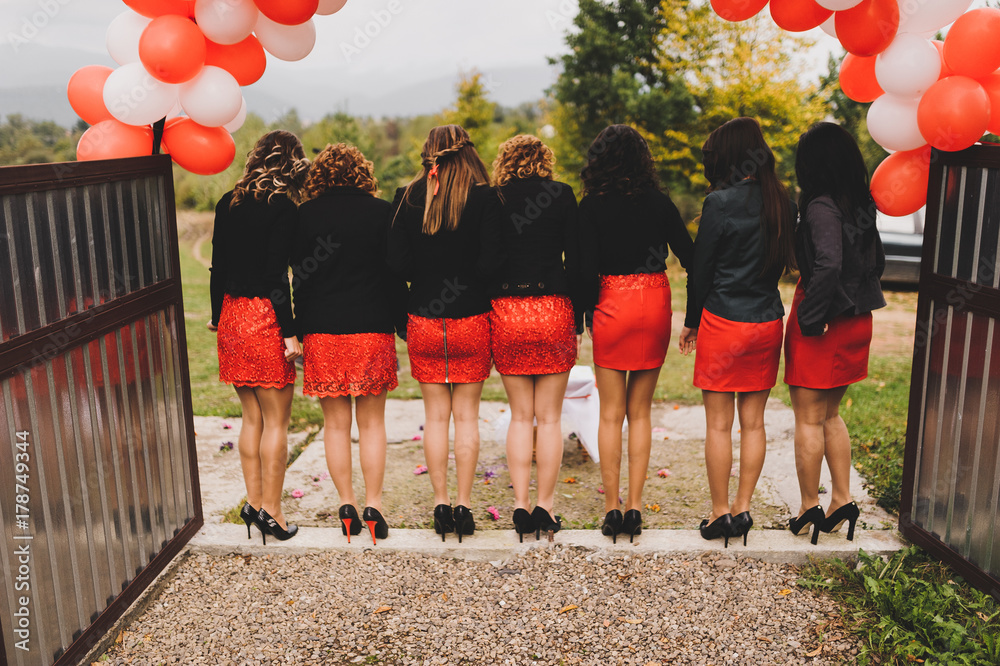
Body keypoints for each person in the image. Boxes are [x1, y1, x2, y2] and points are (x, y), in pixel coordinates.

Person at [679, 117, 796, 548]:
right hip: (767, 320)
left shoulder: (720, 203)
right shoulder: (783, 201)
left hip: (724, 321)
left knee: (718, 426)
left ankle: (718, 512)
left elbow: (701, 270)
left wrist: (691, 322)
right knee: (754, 423)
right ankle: (744, 509)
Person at [387, 124, 503, 542]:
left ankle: (439, 502)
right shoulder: (487, 197)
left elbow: (396, 265)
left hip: (423, 319)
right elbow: (492, 264)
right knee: (467, 417)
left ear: (428, 154)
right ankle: (465, 506)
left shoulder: (406, 197)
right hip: (472, 318)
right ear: (466, 153)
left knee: (435, 417)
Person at [579, 124, 694, 543]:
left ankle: (611, 506)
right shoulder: (660, 204)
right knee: (640, 412)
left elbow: (583, 266)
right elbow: (691, 256)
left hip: (612, 302)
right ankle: (635, 507)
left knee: (610, 412)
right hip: (653, 302)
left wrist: (587, 314)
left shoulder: (590, 206)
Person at [292, 143, 406, 545]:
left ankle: (346, 506)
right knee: (372, 424)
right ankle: (373, 506)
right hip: (371, 329)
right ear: (363, 173)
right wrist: (400, 321)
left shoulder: (305, 216)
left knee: (335, 426)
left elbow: (300, 280)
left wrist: (301, 330)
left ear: (319, 175)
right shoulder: (382, 213)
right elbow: (394, 275)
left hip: (323, 330)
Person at [784, 122, 885, 544]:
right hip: (857, 314)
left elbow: (827, 263)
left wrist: (812, 315)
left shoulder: (821, 206)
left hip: (825, 317)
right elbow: (874, 260)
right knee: (830, 415)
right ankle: (841, 500)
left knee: (808, 417)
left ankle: (810, 507)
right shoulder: (860, 201)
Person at [209, 130, 309, 544]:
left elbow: (216, 266)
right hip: (264, 319)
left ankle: (253, 504)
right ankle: (274, 511)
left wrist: (218, 317)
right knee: (277, 423)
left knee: (252, 417)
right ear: (290, 164)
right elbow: (275, 276)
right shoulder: (283, 208)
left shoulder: (226, 203)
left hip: (232, 316)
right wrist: (288, 333)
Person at [490, 135, 581, 542]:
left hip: (508, 312)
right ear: (545, 159)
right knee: (550, 418)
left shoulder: (493, 200)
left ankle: (520, 506)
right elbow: (577, 259)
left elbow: (486, 259)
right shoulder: (561, 196)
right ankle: (545, 505)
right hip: (553, 309)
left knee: (520, 416)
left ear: (505, 161)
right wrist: (579, 314)